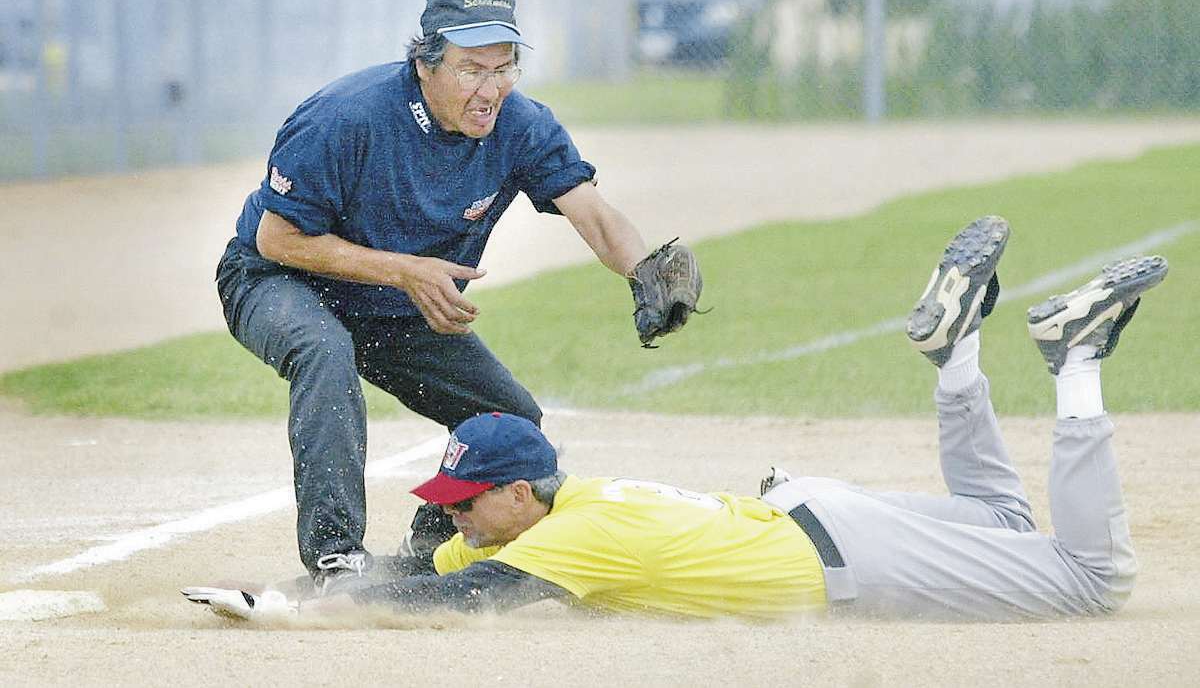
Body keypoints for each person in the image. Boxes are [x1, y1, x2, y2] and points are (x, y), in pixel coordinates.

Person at [190, 216, 1167, 622]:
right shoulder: (554, 511)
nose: (453, 513)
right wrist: (288, 594)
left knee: (1095, 580)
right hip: (819, 520)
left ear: (520, 495)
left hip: (845, 554)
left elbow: (456, 599)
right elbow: (416, 573)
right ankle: (957, 358)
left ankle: (1076, 362)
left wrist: (300, 621)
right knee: (1001, 523)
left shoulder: (570, 538)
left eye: (465, 500)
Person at [214, 0, 689, 591]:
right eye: (471, 69)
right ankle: (337, 563)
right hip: (278, 278)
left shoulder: (521, 125)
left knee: (509, 417)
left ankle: (430, 556)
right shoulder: (345, 116)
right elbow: (277, 240)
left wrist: (644, 269)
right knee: (324, 353)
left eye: (504, 67)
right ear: (425, 63)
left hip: (393, 300)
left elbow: (592, 213)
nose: (490, 89)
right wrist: (406, 271)